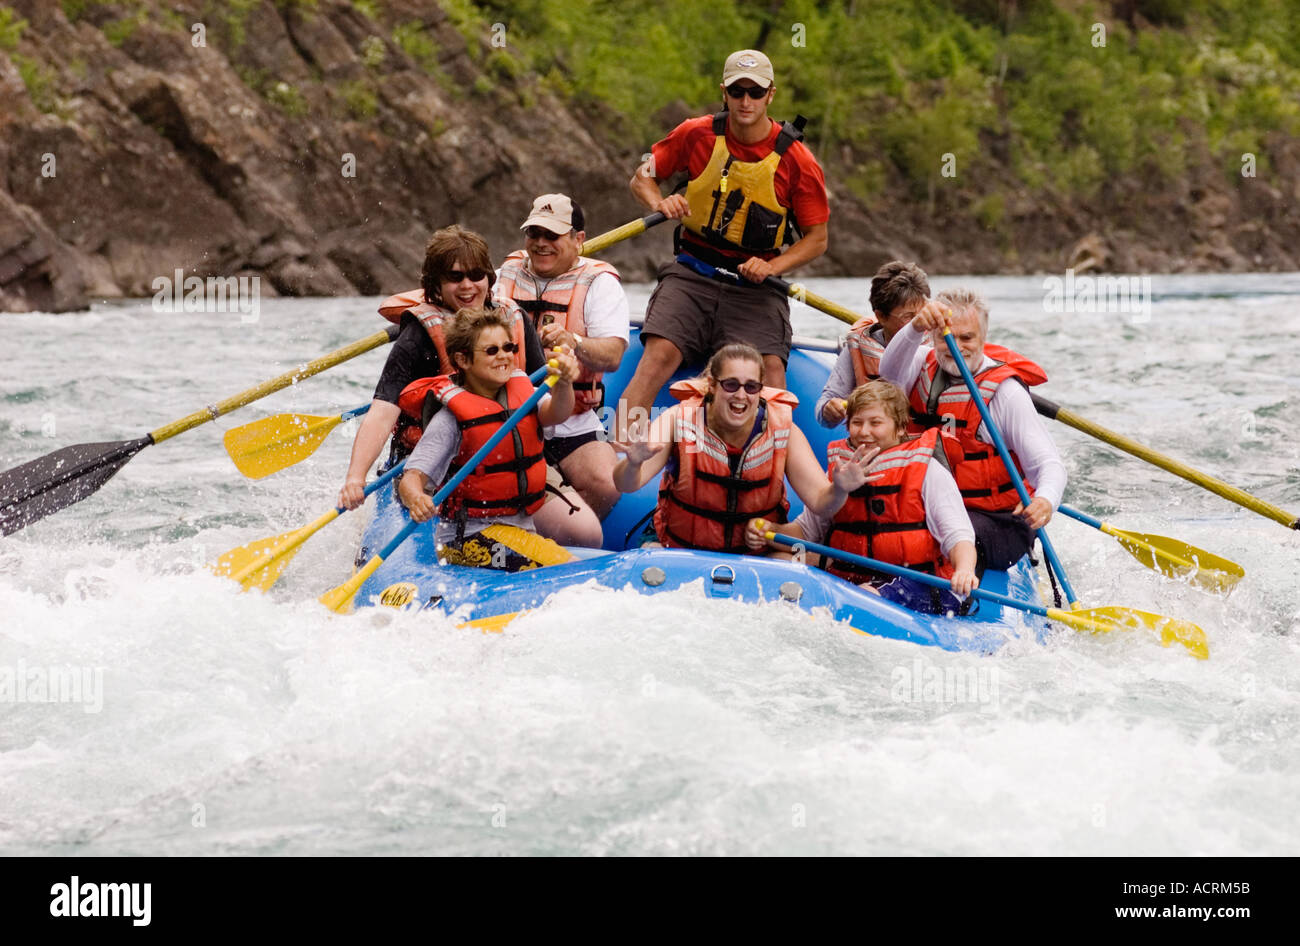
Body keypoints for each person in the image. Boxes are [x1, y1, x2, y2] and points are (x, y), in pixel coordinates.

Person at [337, 225, 602, 547]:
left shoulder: (511, 320)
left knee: (585, 533)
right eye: (454, 277)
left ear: (490, 278)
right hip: (442, 463)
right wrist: (355, 477)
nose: (467, 286)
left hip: (509, 456)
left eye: (476, 275)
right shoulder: (418, 334)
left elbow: (542, 404)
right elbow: (383, 411)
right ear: (435, 284)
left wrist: (563, 380)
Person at [622, 49, 830, 412]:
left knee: (770, 373)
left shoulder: (798, 160)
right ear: (724, 92)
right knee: (658, 357)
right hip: (691, 273)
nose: (745, 101)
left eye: (755, 92)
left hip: (756, 287)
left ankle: (774, 462)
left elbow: (817, 239)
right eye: (737, 92)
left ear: (771, 95)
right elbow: (643, 177)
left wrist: (772, 268)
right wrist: (659, 203)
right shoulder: (695, 134)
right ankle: (618, 452)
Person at [611, 343, 873, 554]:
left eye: (751, 387)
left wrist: (839, 488)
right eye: (731, 384)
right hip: (678, 546)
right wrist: (633, 462)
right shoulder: (676, 419)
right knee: (652, 551)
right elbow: (626, 484)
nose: (741, 395)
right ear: (712, 386)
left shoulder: (784, 431)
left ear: (760, 391)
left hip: (753, 553)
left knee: (791, 565)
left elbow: (821, 503)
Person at [747, 381, 979, 614]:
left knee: (863, 598)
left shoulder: (927, 469)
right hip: (855, 574)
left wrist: (965, 570)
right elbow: (808, 532)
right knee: (778, 559)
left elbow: (958, 535)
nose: (864, 431)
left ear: (900, 428)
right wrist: (769, 531)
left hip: (919, 580)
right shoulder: (841, 470)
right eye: (857, 423)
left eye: (875, 423)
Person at [879, 288, 1066, 571]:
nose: (957, 346)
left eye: (967, 337)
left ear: (983, 339)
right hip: (930, 506)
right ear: (932, 337)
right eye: (946, 338)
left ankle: (940, 596)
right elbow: (889, 373)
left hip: (998, 521)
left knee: (947, 537)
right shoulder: (921, 363)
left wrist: (1045, 500)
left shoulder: (1006, 394)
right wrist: (915, 326)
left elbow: (1049, 464)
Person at [396, 306, 582, 569]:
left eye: (509, 348)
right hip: (470, 539)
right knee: (572, 570)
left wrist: (563, 383)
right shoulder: (451, 419)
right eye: (492, 351)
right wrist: (417, 499)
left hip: (516, 531)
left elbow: (557, 413)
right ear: (463, 360)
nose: (504, 356)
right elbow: (412, 477)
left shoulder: (523, 391)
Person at [495, 194, 630, 522]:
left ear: (578, 239)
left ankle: (557, 535)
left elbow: (612, 357)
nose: (540, 243)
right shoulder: (505, 274)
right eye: (533, 234)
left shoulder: (599, 284)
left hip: (571, 415)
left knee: (607, 484)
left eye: (552, 236)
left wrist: (574, 341)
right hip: (506, 411)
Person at [815, 261, 933, 426]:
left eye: (922, 314)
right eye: (908, 316)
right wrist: (829, 410)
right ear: (881, 316)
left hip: (922, 442)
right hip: (873, 442)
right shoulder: (857, 346)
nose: (919, 323)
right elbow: (825, 409)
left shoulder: (937, 344)